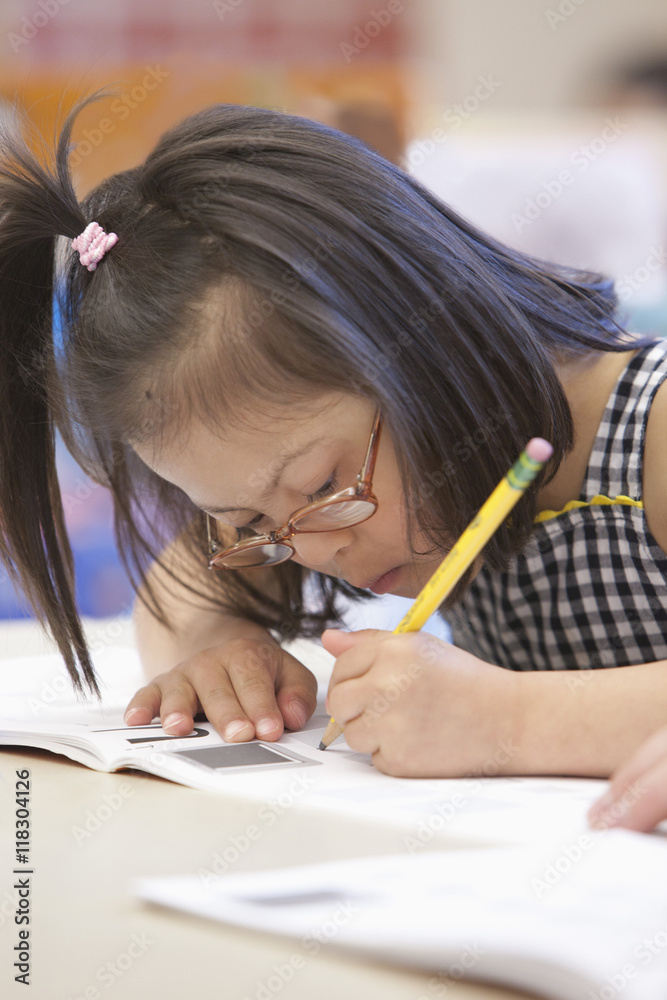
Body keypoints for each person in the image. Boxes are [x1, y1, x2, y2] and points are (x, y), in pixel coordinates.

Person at [1, 96, 667, 779]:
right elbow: (179, 585)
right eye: (251, 520)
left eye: (322, 484)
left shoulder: (651, 429)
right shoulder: (304, 501)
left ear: (422, 346)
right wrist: (216, 644)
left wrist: (511, 721)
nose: (313, 550)